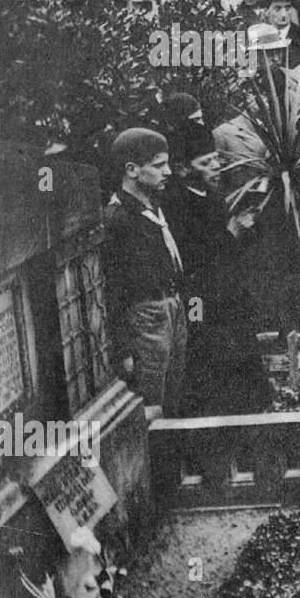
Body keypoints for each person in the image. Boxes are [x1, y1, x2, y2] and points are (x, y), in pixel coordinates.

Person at [164, 123, 273, 416]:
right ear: (182, 169)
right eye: (205, 162)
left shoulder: (210, 194)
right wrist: (231, 233)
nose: (215, 166)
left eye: (215, 158)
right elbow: (193, 260)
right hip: (203, 303)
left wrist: (248, 226)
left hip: (230, 298)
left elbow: (229, 252)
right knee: (214, 366)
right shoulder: (176, 205)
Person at [101, 127, 187, 416]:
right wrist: (124, 348)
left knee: (174, 398)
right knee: (152, 405)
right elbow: (112, 287)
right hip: (146, 318)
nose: (168, 172)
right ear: (132, 170)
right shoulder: (119, 219)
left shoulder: (153, 207)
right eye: (159, 165)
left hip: (171, 308)